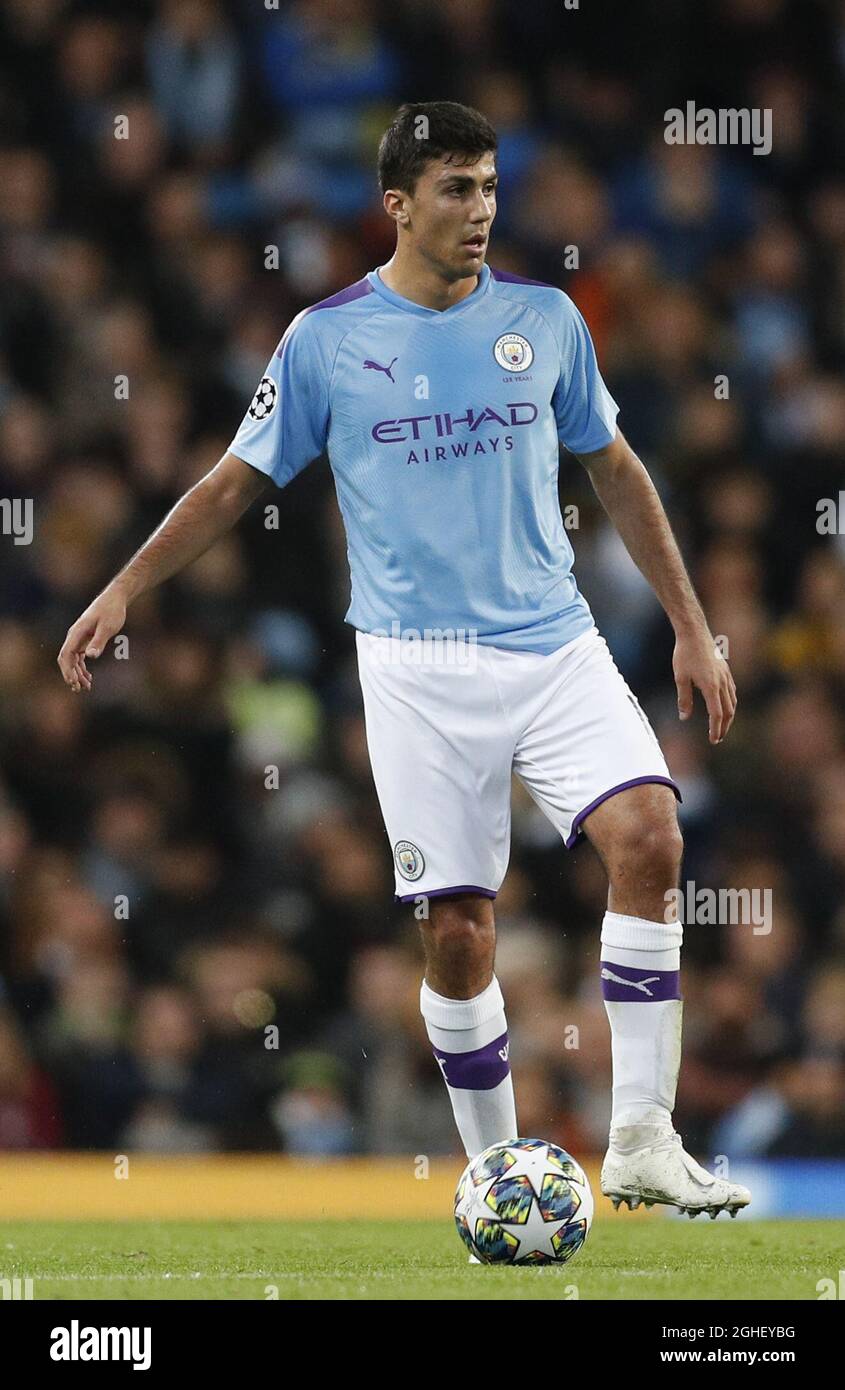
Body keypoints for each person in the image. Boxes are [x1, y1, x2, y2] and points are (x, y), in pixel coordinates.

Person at [58, 100, 749, 1219]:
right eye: (455, 190)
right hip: (415, 669)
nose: (480, 210)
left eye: (486, 186)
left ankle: (638, 1136)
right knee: (458, 930)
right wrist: (126, 584)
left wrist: (688, 621)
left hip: (554, 641)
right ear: (397, 205)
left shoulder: (546, 319)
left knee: (649, 832)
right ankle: (497, 1171)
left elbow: (616, 470)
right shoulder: (326, 339)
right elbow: (236, 480)